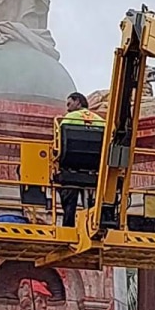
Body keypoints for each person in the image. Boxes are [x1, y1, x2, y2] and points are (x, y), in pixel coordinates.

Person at [56, 92, 104, 227]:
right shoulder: (100, 120)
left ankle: (68, 224)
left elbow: (59, 144)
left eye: (69, 103)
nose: (67, 108)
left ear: (78, 102)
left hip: (71, 168)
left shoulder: (68, 118)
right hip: (95, 169)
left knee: (68, 194)